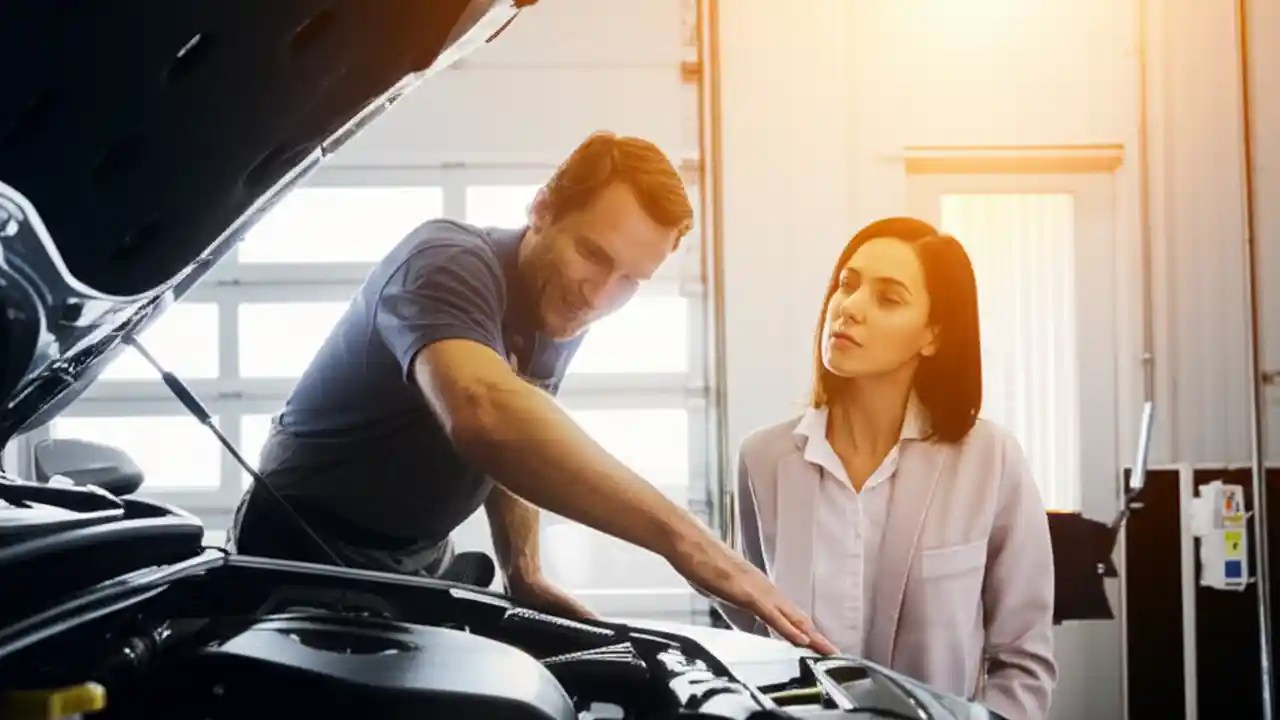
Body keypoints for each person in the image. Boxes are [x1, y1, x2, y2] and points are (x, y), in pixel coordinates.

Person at [227, 130, 836, 655]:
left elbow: (523, 434)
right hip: (300, 555)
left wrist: (525, 571)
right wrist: (691, 544)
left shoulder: (560, 306)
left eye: (631, 280)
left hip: (413, 564)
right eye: (592, 255)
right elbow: (487, 412)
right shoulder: (446, 262)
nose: (599, 296)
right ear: (542, 208)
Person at [714, 217, 1056, 718]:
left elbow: (1024, 659)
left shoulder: (990, 458)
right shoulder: (763, 460)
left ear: (932, 336)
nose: (849, 307)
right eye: (846, 285)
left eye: (888, 298)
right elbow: (752, 630)